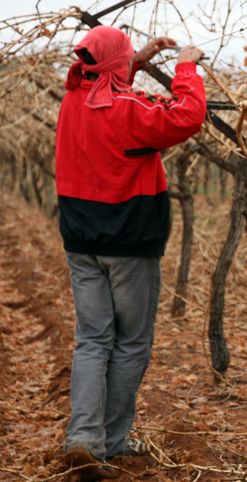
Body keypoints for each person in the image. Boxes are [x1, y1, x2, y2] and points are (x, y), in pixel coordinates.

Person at [55, 25, 206, 480]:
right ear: (115, 67)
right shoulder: (127, 109)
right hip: (130, 245)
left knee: (93, 340)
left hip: (81, 243)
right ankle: (113, 439)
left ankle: (83, 437)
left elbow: (98, 80)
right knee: (131, 343)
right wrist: (186, 67)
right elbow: (186, 117)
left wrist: (135, 58)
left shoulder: (72, 100)